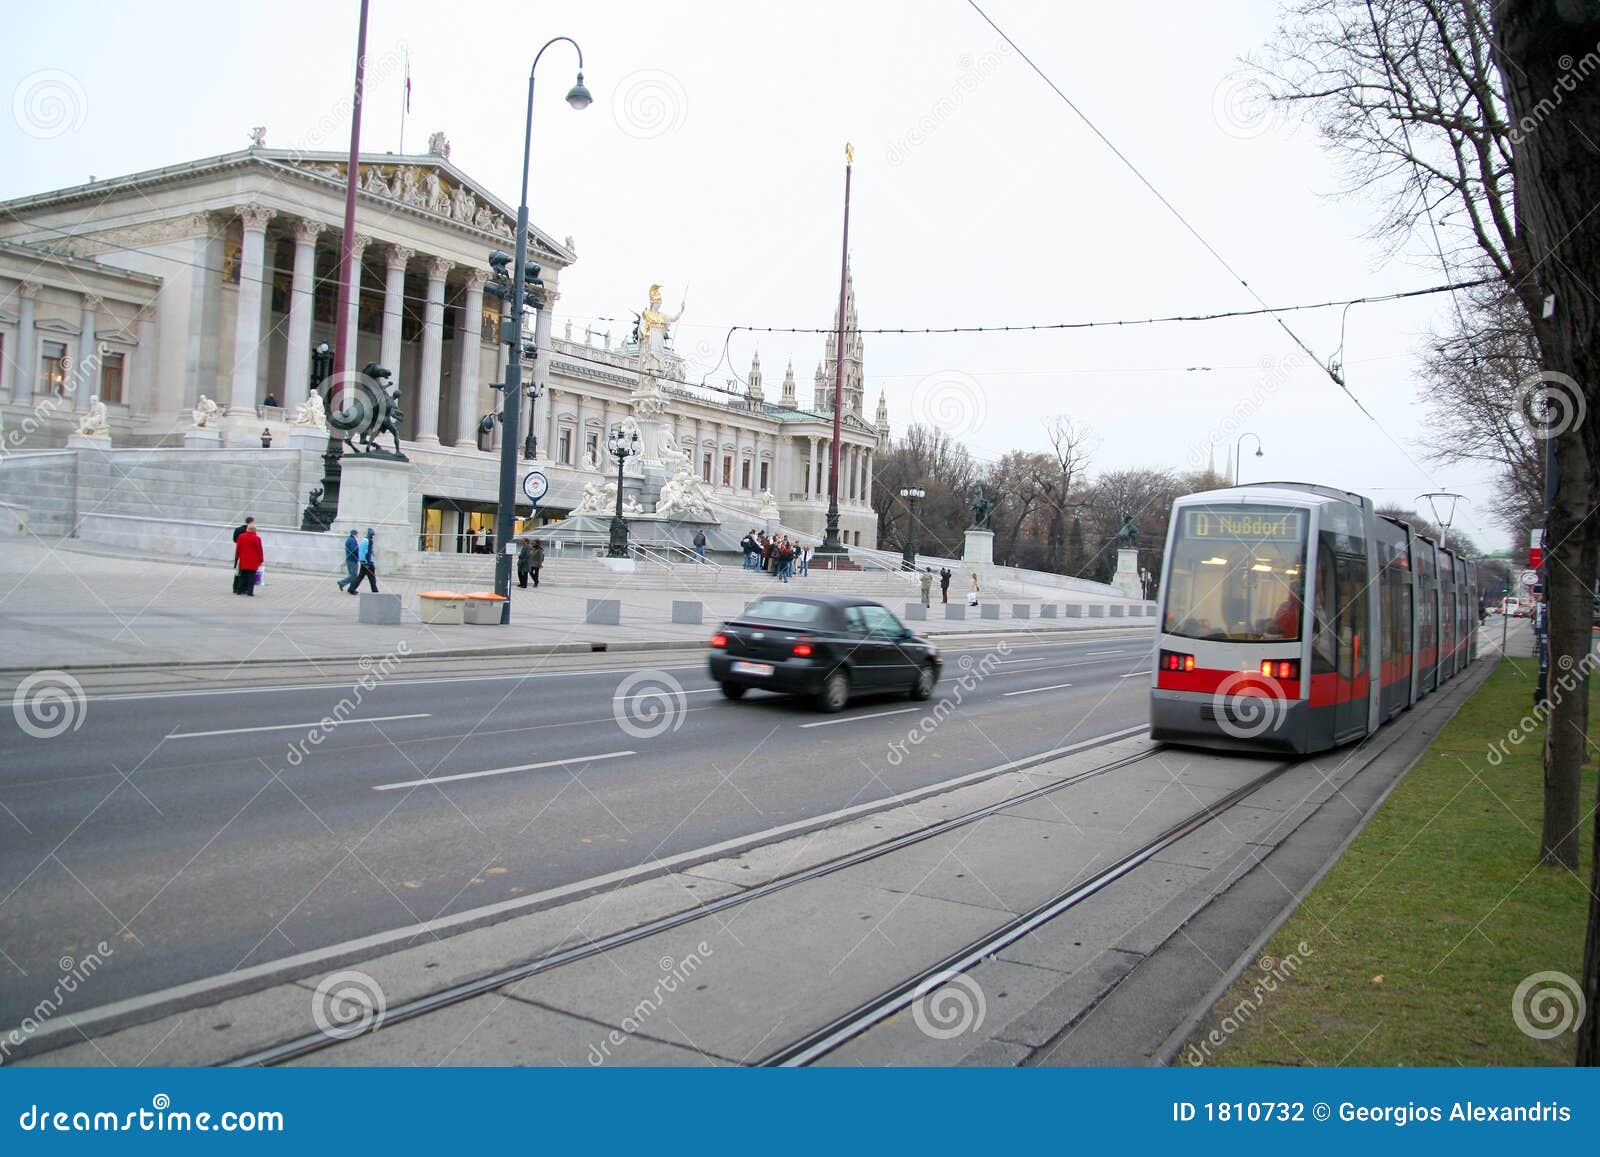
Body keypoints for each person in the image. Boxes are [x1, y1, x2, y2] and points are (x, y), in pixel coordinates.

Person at [234, 520, 263, 596]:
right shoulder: (257, 538)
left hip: (243, 559)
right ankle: (250, 592)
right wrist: (261, 559)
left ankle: (239, 590)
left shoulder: (241, 536)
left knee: (242, 576)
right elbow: (259, 550)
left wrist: (237, 556)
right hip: (253, 561)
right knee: (251, 577)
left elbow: (238, 548)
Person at [348, 528, 379, 593]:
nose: (373, 535)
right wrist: (368, 562)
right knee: (372, 577)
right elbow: (368, 552)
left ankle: (351, 589)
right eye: (373, 534)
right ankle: (375, 591)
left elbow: (362, 551)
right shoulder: (369, 541)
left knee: (360, 577)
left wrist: (363, 561)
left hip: (363, 561)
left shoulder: (363, 540)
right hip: (368, 562)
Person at [232, 516, 255, 594]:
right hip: (248, 554)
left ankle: (236, 588)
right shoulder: (252, 530)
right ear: (251, 522)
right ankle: (245, 588)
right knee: (247, 573)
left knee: (238, 571)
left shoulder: (238, 529)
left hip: (239, 552)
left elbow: (235, 540)